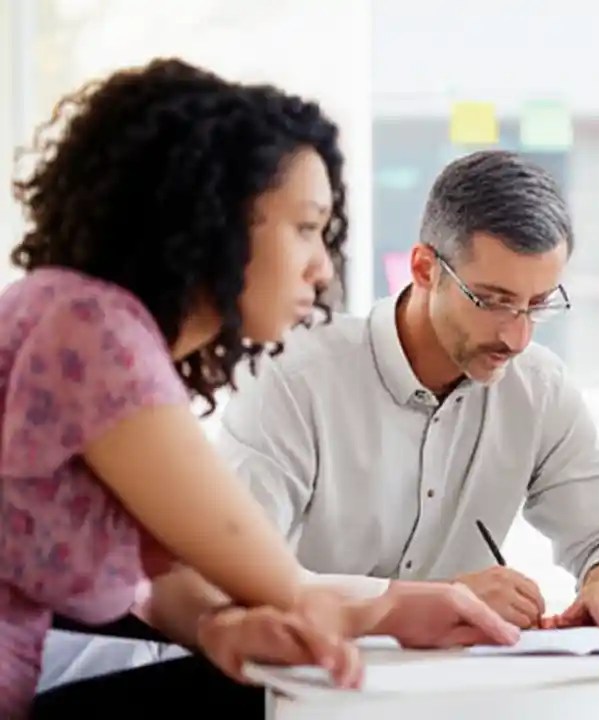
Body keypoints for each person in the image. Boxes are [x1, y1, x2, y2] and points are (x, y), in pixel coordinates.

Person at [0, 58, 516, 718]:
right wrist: (390, 607)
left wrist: (218, 626)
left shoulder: (84, 319)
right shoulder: (93, 334)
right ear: (213, 216)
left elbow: (160, 577)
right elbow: (274, 580)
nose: (321, 268)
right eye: (305, 228)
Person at [144, 149, 599, 645]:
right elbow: (232, 579)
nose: (517, 337)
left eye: (537, 305)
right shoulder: (293, 377)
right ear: (424, 268)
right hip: (301, 695)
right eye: (493, 301)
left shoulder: (538, 389)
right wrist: (418, 603)